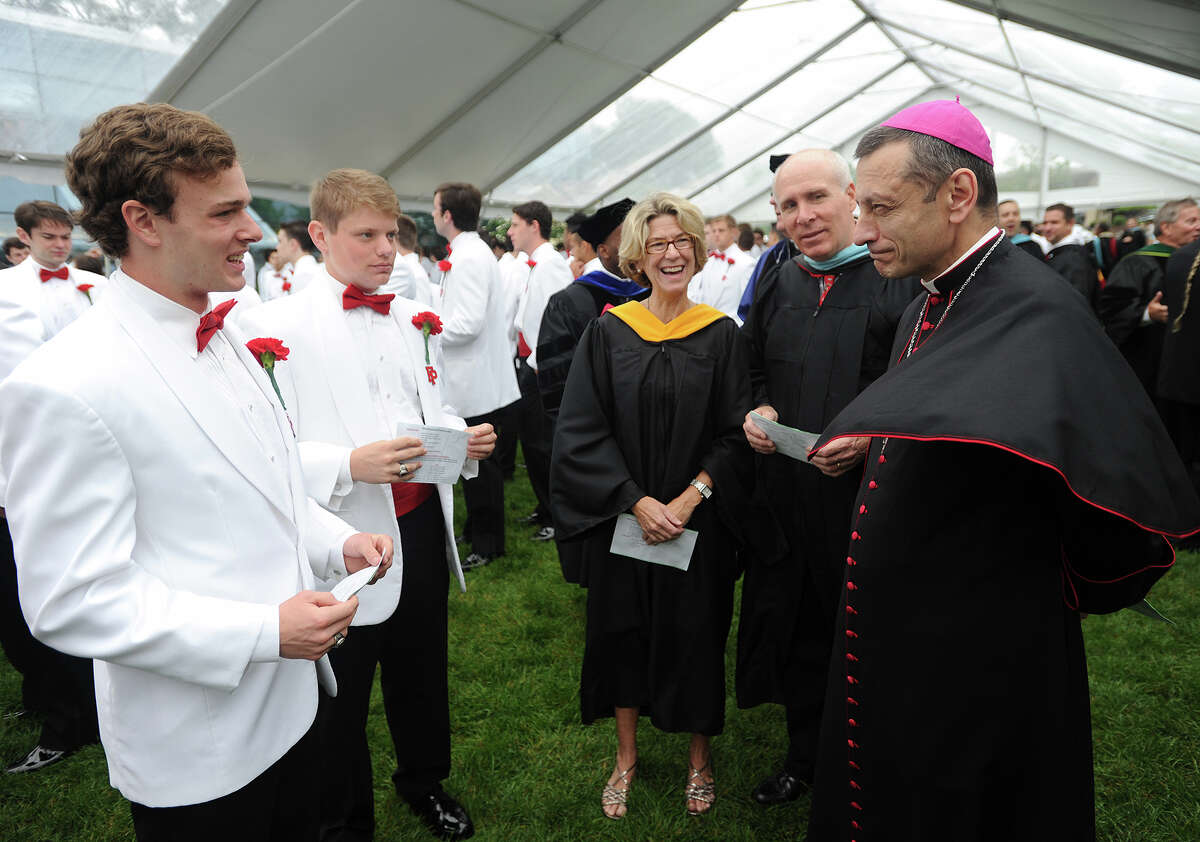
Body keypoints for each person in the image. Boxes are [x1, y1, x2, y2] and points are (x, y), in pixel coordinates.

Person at [803, 99, 1199, 842]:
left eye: (881, 209)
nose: (862, 232)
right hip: (912, 626)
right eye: (861, 210)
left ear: (957, 194)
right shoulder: (931, 298)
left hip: (977, 644)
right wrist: (879, 444)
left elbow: (1105, 493)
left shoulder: (1038, 312)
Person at [0, 103, 395, 840]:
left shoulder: (227, 331)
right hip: (202, 751)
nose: (253, 230)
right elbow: (70, 598)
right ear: (143, 221)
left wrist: (334, 540)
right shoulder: (65, 384)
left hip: (296, 706)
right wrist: (262, 631)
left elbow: (267, 479)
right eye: (225, 212)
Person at [241, 168, 494, 841]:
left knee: (421, 669)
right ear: (320, 235)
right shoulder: (274, 326)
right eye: (367, 236)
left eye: (392, 234)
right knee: (341, 693)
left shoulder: (412, 316)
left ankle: (424, 780)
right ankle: (344, 822)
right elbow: (264, 451)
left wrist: (460, 437)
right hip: (341, 540)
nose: (387, 249)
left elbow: (429, 404)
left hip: (421, 526)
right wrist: (347, 464)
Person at [550, 192, 756, 819]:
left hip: (699, 520)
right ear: (638, 256)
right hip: (626, 518)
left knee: (698, 632)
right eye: (658, 243)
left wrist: (692, 497)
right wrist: (636, 501)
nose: (671, 253)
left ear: (697, 251)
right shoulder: (608, 332)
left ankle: (699, 756)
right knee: (621, 632)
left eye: (682, 241)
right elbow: (582, 429)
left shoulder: (722, 336)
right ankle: (626, 755)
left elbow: (735, 433)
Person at [738, 150, 920, 807]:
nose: (803, 216)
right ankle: (804, 755)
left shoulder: (899, 281)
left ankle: (876, 764)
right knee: (798, 624)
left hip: (869, 500)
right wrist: (758, 407)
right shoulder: (780, 281)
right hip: (788, 497)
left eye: (816, 197)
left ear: (852, 196)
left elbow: (927, 389)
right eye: (788, 205)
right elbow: (751, 367)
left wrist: (872, 440)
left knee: (869, 630)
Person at [0, 199, 108, 774]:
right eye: (50, 237)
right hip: (22, 455)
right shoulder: (5, 291)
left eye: (67, 236)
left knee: (71, 588)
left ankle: (73, 716)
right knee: (21, 600)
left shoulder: (97, 288)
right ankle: (48, 696)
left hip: (89, 454)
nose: (62, 245)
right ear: (24, 236)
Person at [536, 198, 649, 582]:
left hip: (653, 448)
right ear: (603, 250)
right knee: (605, 563)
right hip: (598, 449)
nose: (639, 242)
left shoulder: (657, 297)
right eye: (626, 235)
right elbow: (558, 393)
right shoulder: (568, 304)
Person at [431, 182, 520, 569]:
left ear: (447, 215)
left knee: (482, 467)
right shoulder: (470, 251)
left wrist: (427, 331)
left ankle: (488, 544)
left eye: (436, 208)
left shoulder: (469, 256)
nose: (433, 215)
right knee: (477, 466)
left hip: (476, 381)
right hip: (476, 378)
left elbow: (467, 324)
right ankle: (477, 530)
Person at [509, 200, 573, 541]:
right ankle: (544, 505)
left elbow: (557, 322)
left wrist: (538, 365)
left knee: (543, 444)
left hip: (541, 366)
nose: (509, 232)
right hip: (530, 361)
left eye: (515, 224)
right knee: (532, 442)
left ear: (534, 226)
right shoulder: (536, 263)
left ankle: (555, 514)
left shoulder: (550, 265)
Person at [1098, 198, 1200, 398]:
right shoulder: (1137, 262)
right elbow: (1111, 308)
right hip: (1150, 363)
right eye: (1191, 221)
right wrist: (1146, 313)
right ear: (1166, 227)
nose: (1198, 226)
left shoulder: (1194, 261)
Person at [1158, 238, 1200, 539]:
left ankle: (1182, 526)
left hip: (1177, 372)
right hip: (1188, 374)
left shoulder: (1181, 255)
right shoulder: (1183, 257)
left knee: (1183, 456)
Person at [1042, 203, 1099, 306]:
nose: (1047, 228)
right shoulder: (1060, 253)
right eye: (1045, 223)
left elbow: (1074, 302)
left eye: (1054, 222)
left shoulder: (1074, 258)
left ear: (1070, 223)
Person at [382, 213, 435, 306]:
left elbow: (421, 310)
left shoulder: (412, 271)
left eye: (389, 235)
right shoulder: (411, 268)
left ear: (395, 238)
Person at [276, 219, 320, 294]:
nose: (277, 247)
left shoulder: (304, 275)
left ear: (292, 244)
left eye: (280, 241)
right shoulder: (307, 270)